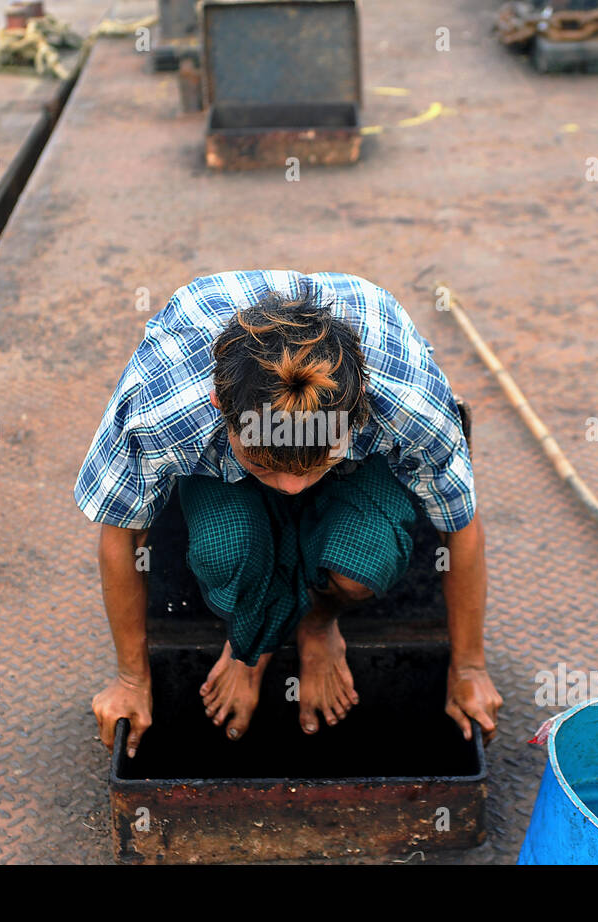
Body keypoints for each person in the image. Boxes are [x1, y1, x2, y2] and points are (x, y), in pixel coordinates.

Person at [76, 269, 502, 757]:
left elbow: (461, 528)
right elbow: (123, 538)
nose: (293, 488)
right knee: (225, 551)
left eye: (316, 463)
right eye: (265, 465)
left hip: (351, 467)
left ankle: (314, 621)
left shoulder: (408, 404)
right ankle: (251, 638)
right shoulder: (162, 412)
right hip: (225, 472)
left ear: (358, 413)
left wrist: (469, 669)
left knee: (362, 561)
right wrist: (131, 679)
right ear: (219, 406)